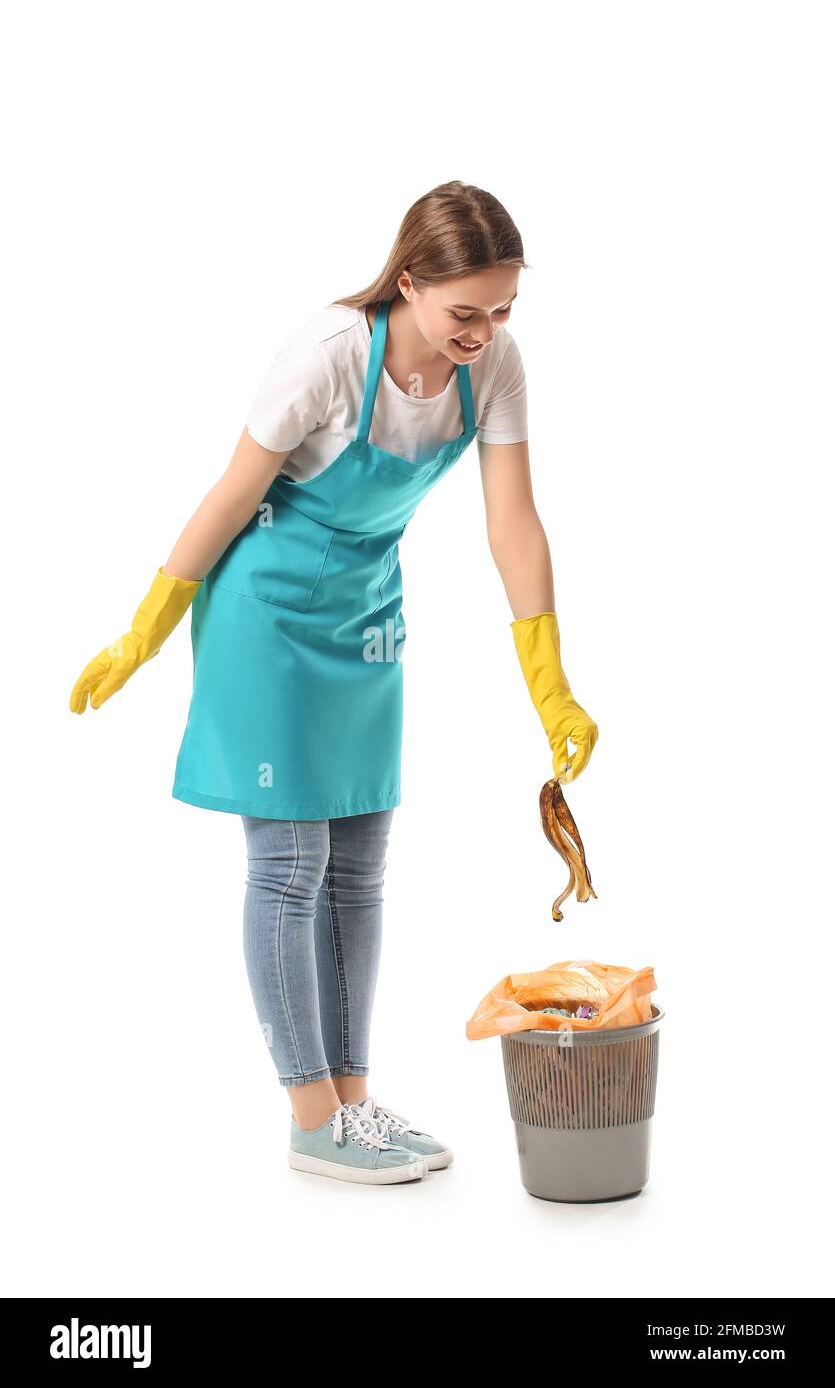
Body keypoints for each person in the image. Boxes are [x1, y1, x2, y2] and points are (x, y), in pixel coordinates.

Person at [69, 180, 598, 1187]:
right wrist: (146, 629)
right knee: (288, 859)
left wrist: (550, 685)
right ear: (408, 282)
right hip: (263, 612)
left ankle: (353, 1102)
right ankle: (311, 1114)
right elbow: (230, 494)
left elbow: (513, 526)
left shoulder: (494, 370)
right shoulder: (326, 356)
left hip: (363, 614)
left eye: (502, 310)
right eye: (464, 312)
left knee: (359, 859)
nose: (484, 331)